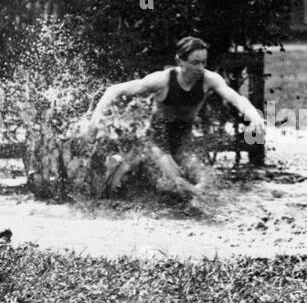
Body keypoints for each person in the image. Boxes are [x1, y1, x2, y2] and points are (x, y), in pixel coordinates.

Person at [81, 36, 267, 195]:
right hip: (157, 137)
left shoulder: (209, 80)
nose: (200, 67)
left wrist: (252, 113)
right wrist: (94, 121)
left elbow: (236, 98)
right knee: (177, 181)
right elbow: (115, 90)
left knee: (205, 180)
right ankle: (127, 174)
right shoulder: (163, 80)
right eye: (195, 63)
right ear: (180, 62)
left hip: (183, 137)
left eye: (203, 62)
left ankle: (185, 198)